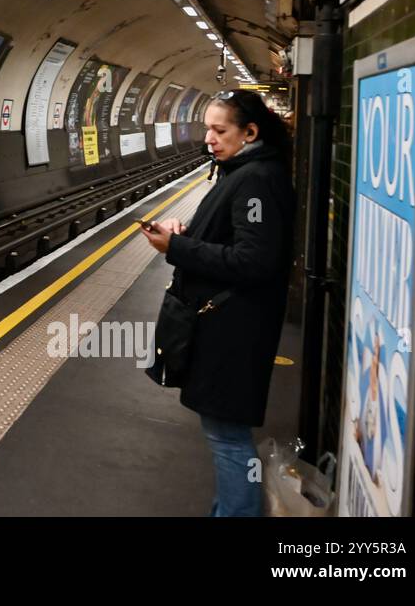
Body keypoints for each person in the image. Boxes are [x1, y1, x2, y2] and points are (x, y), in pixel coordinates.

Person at [141, 89, 294, 516]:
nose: (209, 137)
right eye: (207, 127)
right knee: (227, 437)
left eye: (219, 129)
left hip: (234, 329)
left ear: (250, 132)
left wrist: (176, 248)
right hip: (230, 323)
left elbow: (255, 259)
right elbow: (236, 239)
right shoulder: (241, 170)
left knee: (230, 440)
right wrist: (186, 233)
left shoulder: (256, 180)